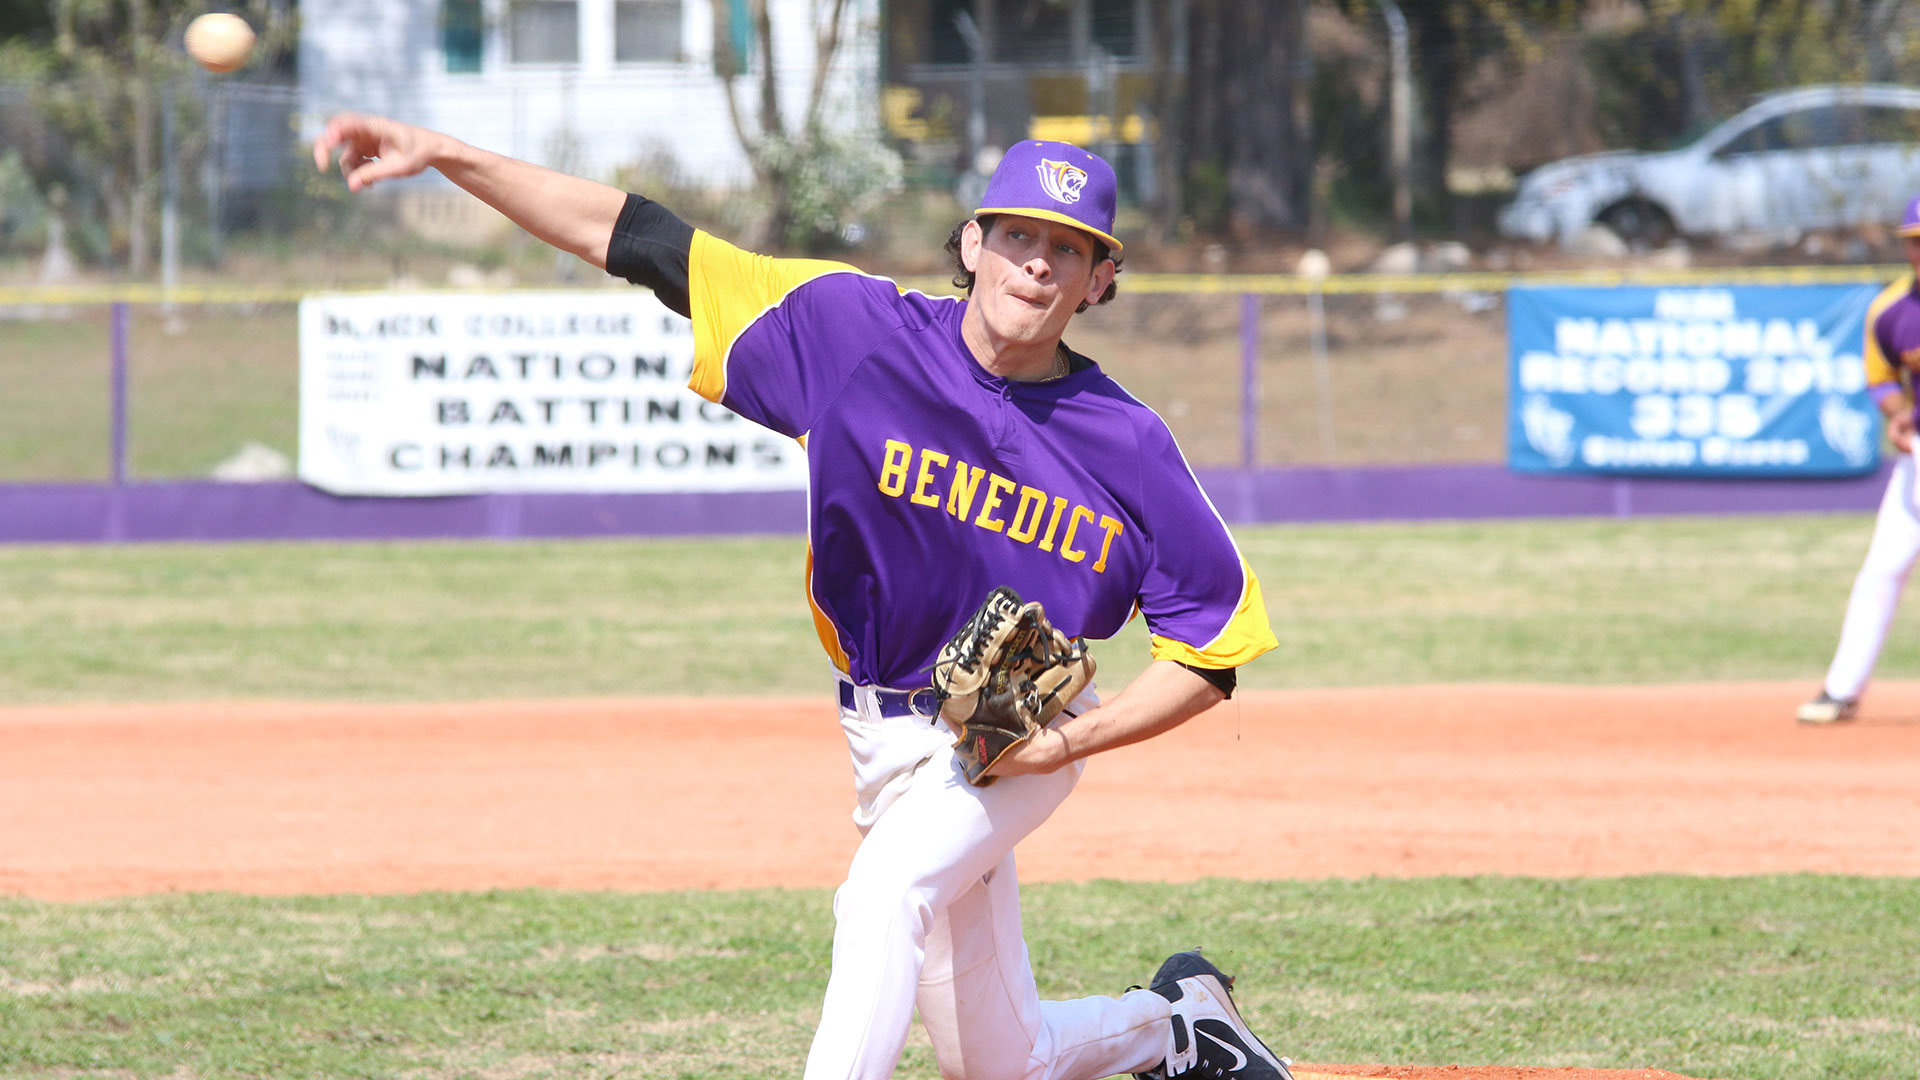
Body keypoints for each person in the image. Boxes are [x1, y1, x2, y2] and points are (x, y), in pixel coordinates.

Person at [314, 114, 1289, 1080]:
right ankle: (1177, 1027)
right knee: (1000, 1063)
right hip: (877, 729)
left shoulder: (1125, 442)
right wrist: (445, 155)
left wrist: (1065, 742)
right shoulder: (848, 332)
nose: (1036, 264)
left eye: (1068, 250)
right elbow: (639, 238)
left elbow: (1214, 647)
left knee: (881, 897)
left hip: (1016, 720)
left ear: (1099, 281)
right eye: (1018, 235)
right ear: (972, 243)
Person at [1798, 194, 1920, 725]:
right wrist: (1898, 413)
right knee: (1882, 568)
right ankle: (1841, 689)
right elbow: (1880, 377)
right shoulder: (1891, 310)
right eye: (1914, 242)